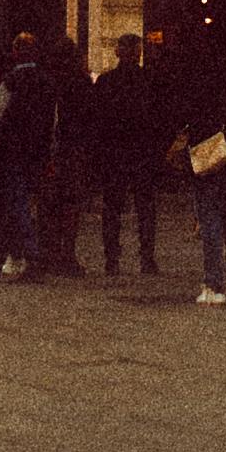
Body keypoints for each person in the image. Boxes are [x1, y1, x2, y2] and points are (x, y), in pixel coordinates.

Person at [166, 15, 226, 304]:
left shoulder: (191, 73)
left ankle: (214, 282)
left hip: (202, 147)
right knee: (223, 211)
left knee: (208, 214)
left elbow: (180, 109)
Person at [0, 26, 57, 281]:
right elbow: (54, 120)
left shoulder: (11, 80)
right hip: (38, 150)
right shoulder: (46, 81)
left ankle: (24, 255)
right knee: (28, 202)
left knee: (15, 203)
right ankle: (22, 255)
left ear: (16, 53)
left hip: (12, 150)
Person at [86, 31, 166, 274]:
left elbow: (97, 119)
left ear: (117, 52)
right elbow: (156, 118)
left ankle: (112, 258)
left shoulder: (107, 82)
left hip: (115, 151)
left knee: (113, 207)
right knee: (145, 207)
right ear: (138, 53)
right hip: (141, 150)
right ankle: (146, 257)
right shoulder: (148, 80)